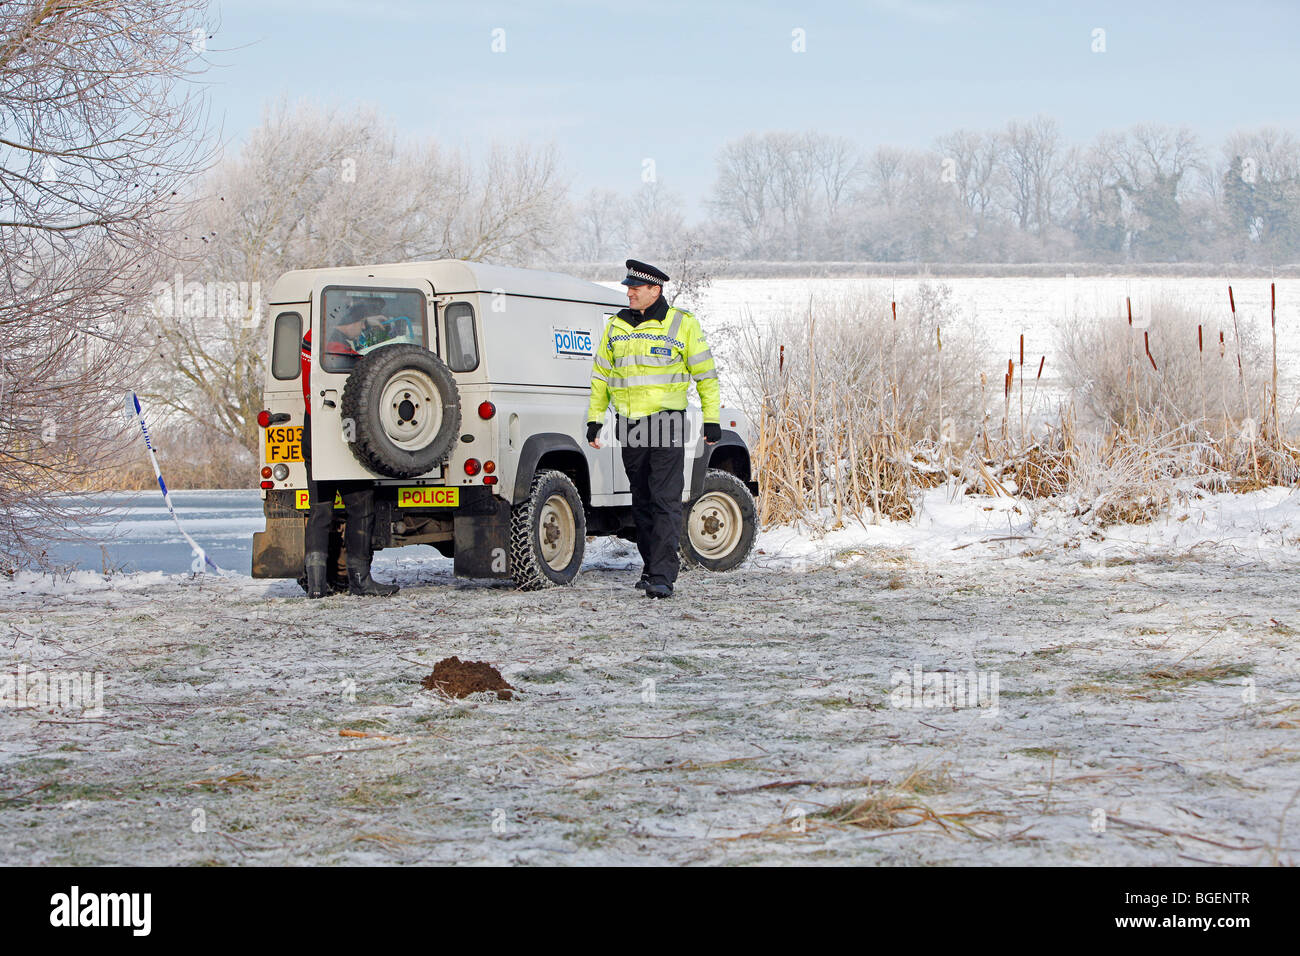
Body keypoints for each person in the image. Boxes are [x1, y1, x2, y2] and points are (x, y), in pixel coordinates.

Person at [586, 259, 720, 599]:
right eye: (628, 287)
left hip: (666, 421)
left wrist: (712, 418)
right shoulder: (616, 325)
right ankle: (650, 567)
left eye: (636, 287)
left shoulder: (682, 323)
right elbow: (601, 375)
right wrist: (595, 419)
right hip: (629, 424)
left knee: (664, 498)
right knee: (641, 500)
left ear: (654, 290)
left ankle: (663, 574)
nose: (629, 292)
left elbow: (705, 374)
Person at [301, 304, 400, 598]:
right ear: (351, 322)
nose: (362, 331)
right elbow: (366, 375)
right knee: (361, 508)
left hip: (314, 435)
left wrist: (360, 321)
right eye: (360, 325)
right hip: (345, 437)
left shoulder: (313, 344)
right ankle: (360, 580)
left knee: (319, 513)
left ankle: (316, 586)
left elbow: (313, 336)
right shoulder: (342, 352)